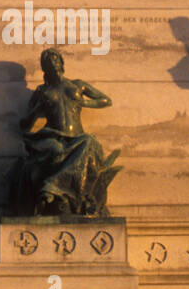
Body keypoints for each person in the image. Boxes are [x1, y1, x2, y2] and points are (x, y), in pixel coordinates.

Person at [10, 48, 121, 216]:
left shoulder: (77, 85)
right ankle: (54, 186)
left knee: (89, 141)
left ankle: (52, 184)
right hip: (54, 135)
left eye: (55, 59)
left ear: (61, 63)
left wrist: (83, 103)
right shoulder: (42, 92)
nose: (52, 63)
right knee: (55, 150)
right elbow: (24, 125)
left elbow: (105, 100)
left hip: (77, 138)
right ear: (44, 68)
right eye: (47, 62)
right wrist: (37, 109)